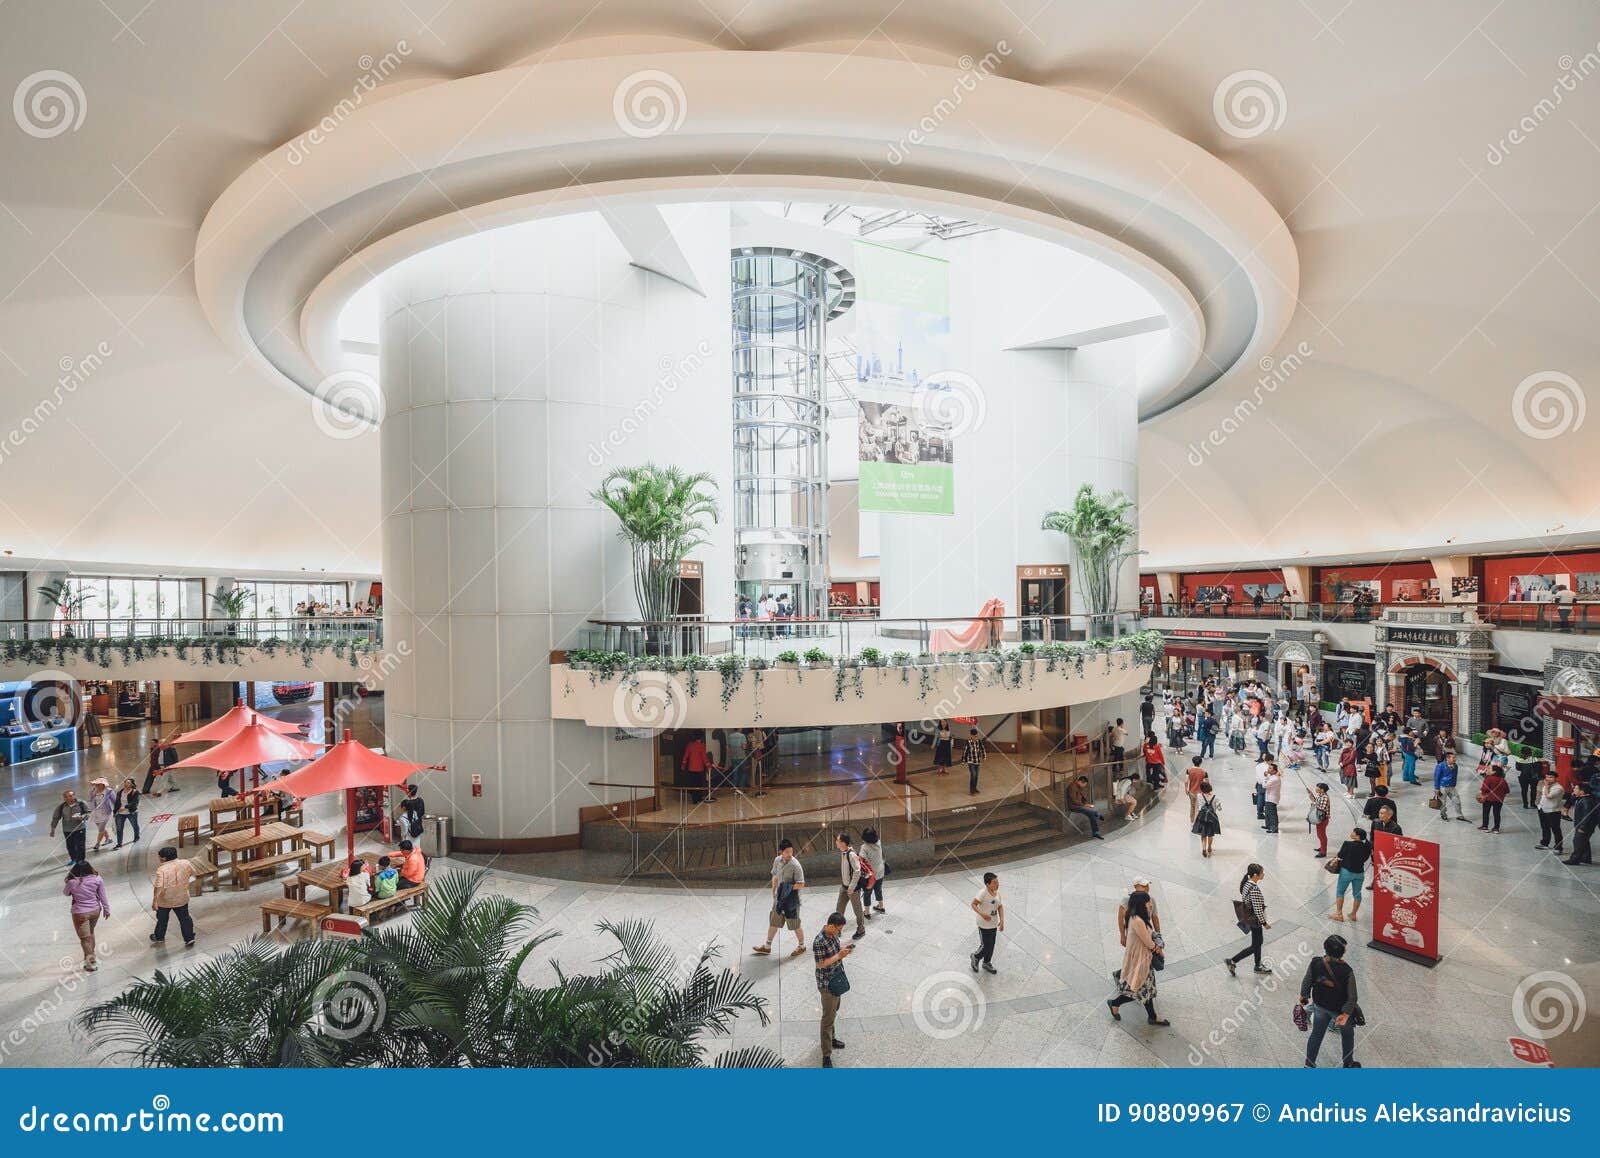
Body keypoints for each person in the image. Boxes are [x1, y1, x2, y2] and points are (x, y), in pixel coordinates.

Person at [1107, 890, 1168, 1025]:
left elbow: (1150, 934)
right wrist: (1158, 950)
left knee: (1147, 989)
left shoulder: (1139, 917)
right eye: (1147, 902)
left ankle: (1152, 1016)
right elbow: (1148, 941)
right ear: (1141, 904)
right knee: (1136, 990)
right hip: (1140, 960)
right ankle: (1114, 1003)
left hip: (1144, 959)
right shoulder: (1137, 920)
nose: (1149, 905)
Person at [1300, 934, 1361, 1068]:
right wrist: (1345, 1015)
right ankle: (1348, 1063)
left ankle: (1309, 1064)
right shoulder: (1347, 971)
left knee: (1316, 1035)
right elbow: (1353, 997)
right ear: (1341, 952)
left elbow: (1307, 981)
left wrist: (1304, 996)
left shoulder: (1316, 962)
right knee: (1347, 1036)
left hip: (1320, 1006)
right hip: (1339, 1011)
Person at [813, 912, 854, 1067]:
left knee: (833, 1012)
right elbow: (820, 964)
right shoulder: (819, 941)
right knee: (827, 1018)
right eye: (838, 929)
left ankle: (832, 1037)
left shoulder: (833, 935)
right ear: (831, 926)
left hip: (837, 979)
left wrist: (844, 950)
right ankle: (826, 1055)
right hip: (827, 984)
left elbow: (836, 951)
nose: (839, 932)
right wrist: (839, 956)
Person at [753, 839, 807, 955]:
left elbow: (801, 883)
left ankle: (802, 946)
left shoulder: (795, 865)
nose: (790, 854)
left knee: (794, 924)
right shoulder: (777, 860)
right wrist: (774, 889)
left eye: (791, 851)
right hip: (779, 899)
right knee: (774, 921)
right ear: (780, 852)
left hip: (791, 900)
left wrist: (786, 888)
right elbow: (775, 875)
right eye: (787, 852)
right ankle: (767, 946)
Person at [1224, 863, 1271, 976]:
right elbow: (1257, 908)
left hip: (1251, 918)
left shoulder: (1246, 884)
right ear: (1256, 875)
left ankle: (1257, 965)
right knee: (1256, 944)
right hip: (1255, 920)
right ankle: (1233, 960)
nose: (1263, 874)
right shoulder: (1254, 888)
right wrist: (1264, 923)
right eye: (1262, 872)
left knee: (1257, 943)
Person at [63, 860, 110, 971]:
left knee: (85, 939)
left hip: (80, 913)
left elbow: (65, 893)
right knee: (91, 933)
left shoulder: (72, 882)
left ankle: (90, 963)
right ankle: (91, 956)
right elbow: (103, 895)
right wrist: (107, 909)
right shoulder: (97, 879)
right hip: (95, 910)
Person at [150, 846, 196, 947]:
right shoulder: (185, 863)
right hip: (182, 897)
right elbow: (192, 872)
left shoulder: (161, 870)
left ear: (164, 858)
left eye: (159, 857)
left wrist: (155, 901)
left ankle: (159, 937)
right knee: (185, 918)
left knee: (162, 919)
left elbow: (158, 886)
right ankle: (189, 938)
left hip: (165, 900)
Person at [1330, 826, 1372, 923]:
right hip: (1360, 873)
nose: (1352, 833)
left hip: (1346, 872)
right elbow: (1366, 858)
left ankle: (1339, 914)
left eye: (1354, 832)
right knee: (1357, 894)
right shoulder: (1367, 846)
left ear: (1357, 836)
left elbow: (1340, 855)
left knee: (1340, 892)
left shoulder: (1348, 844)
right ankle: (1353, 914)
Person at [833, 833, 868, 940]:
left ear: (843, 843)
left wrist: (852, 886)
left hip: (853, 889)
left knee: (857, 910)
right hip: (844, 887)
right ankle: (837, 930)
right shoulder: (843, 852)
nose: (836, 842)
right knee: (839, 909)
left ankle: (861, 929)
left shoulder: (851, 855)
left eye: (838, 840)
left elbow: (857, 871)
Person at [969, 871, 1003, 975]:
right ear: (987, 884)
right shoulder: (982, 893)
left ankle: (987, 962)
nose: (997, 884)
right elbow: (973, 904)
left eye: (997, 882)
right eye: (994, 883)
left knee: (991, 945)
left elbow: (1000, 906)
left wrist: (1002, 920)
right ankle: (975, 957)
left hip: (993, 924)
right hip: (983, 925)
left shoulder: (997, 893)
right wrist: (982, 914)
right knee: (986, 945)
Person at [49, 790, 91, 864]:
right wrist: (53, 829)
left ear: (74, 796)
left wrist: (83, 817)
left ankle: (81, 860)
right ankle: (73, 859)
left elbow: (88, 813)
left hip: (80, 828)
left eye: (70, 796)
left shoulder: (81, 804)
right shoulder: (61, 807)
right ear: (64, 798)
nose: (68, 798)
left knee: (80, 845)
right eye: (66, 797)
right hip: (67, 829)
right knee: (70, 845)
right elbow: (56, 818)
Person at [1563, 781, 1596, 865]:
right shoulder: (1582, 799)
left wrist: (1582, 827)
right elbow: (1571, 800)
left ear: (1582, 791)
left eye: (1576, 788)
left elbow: (1587, 815)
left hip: (1584, 826)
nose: (1574, 789)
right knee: (1584, 841)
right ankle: (1585, 858)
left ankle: (1574, 859)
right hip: (1581, 825)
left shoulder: (1586, 801)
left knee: (1577, 841)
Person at [1536, 770, 1566, 854]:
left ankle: (1558, 847)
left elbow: (1548, 796)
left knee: (1556, 829)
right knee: (1545, 827)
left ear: (1556, 778)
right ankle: (1545, 843)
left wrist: (1546, 786)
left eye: (1551, 777)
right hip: (1542, 809)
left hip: (1553, 811)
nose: (1548, 779)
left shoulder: (1558, 788)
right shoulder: (1546, 785)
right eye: (1547, 777)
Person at [1066, 774, 1105, 839]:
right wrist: (1084, 805)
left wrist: (1086, 803)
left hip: (1079, 805)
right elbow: (1073, 800)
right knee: (1092, 813)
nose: (1084, 786)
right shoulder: (1072, 787)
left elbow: (1082, 797)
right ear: (1080, 782)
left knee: (1091, 814)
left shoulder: (1078, 786)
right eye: (1084, 785)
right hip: (1074, 807)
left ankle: (1095, 832)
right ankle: (1097, 815)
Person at [858, 826, 887, 913]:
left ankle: (867, 912)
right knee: (878, 890)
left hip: (870, 875)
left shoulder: (864, 847)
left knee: (867, 893)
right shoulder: (879, 842)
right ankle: (881, 906)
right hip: (880, 872)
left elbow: (862, 860)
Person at [1191, 780, 1221, 857]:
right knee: (1210, 834)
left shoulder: (1199, 796)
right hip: (1211, 818)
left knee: (1203, 834)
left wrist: (1195, 819)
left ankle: (1204, 848)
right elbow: (1220, 808)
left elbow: (1198, 807)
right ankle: (1209, 848)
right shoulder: (1215, 797)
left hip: (1202, 817)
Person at [1478, 763, 1509, 833]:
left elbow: (1484, 789)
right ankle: (1496, 828)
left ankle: (1485, 826)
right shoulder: (1503, 780)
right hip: (1499, 800)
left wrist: (1481, 793)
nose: (1487, 770)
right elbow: (1507, 790)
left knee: (1486, 812)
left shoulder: (1488, 778)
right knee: (1497, 814)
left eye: (1489, 769)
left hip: (1488, 799)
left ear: (1494, 772)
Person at [1433, 751, 1464, 821]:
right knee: (1443, 803)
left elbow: (1455, 776)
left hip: (1452, 787)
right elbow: (1436, 777)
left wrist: (1454, 784)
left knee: (1457, 801)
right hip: (1443, 787)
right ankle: (1443, 814)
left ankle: (1460, 815)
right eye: (1453, 758)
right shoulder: (1440, 766)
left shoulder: (1455, 766)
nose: (1454, 759)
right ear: (1447, 758)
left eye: (1455, 757)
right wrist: (1436, 788)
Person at [87, 779, 115, 853]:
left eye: (99, 784)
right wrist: (89, 810)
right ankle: (108, 839)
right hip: (96, 812)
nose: (97, 786)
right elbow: (90, 801)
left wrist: (117, 810)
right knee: (101, 828)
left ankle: (97, 844)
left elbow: (114, 801)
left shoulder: (109, 791)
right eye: (96, 784)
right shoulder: (93, 791)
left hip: (106, 812)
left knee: (101, 828)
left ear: (103, 784)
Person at [113, 777, 141, 847]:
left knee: (135, 825)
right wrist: (114, 812)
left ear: (131, 784)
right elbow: (117, 802)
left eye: (128, 783)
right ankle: (119, 843)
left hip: (131, 812)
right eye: (125, 782)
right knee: (119, 828)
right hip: (120, 813)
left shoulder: (135, 792)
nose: (126, 784)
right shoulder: (120, 792)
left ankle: (136, 837)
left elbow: (134, 802)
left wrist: (125, 807)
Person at [1307, 781, 1331, 857]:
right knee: (1319, 834)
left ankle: (1323, 852)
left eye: (1317, 787)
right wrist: (1310, 794)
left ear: (1322, 790)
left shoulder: (1325, 797)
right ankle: (1322, 847)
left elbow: (1322, 808)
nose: (1316, 788)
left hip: (1323, 819)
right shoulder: (1320, 795)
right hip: (1319, 818)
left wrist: (1314, 804)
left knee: (1322, 835)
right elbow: (1315, 801)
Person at [963, 728, 986, 796]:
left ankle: (975, 788)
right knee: (973, 775)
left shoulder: (979, 741)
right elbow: (965, 751)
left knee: (976, 776)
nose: (976, 737)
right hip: (971, 761)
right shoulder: (968, 742)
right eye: (974, 736)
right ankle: (971, 790)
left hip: (977, 761)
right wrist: (964, 759)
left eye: (976, 736)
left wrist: (984, 756)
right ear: (971, 736)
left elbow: (982, 748)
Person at [1261, 762, 1282, 834]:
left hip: (1272, 798)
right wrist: (1267, 777)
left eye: (1270, 768)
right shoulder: (1272, 777)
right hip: (1268, 797)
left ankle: (1274, 828)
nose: (1268, 769)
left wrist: (1265, 777)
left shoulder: (1275, 779)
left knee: (1272, 813)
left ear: (1274, 771)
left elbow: (1264, 785)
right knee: (1267, 812)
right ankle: (1268, 825)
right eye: (1268, 768)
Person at [1185, 754, 1207, 821]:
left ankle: (1192, 821)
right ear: (1200, 763)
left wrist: (1186, 789)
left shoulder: (1188, 770)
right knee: (1199, 807)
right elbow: (1207, 783)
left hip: (1192, 792)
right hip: (1200, 792)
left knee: (1192, 806)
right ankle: (1197, 823)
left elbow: (1186, 781)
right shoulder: (1204, 772)